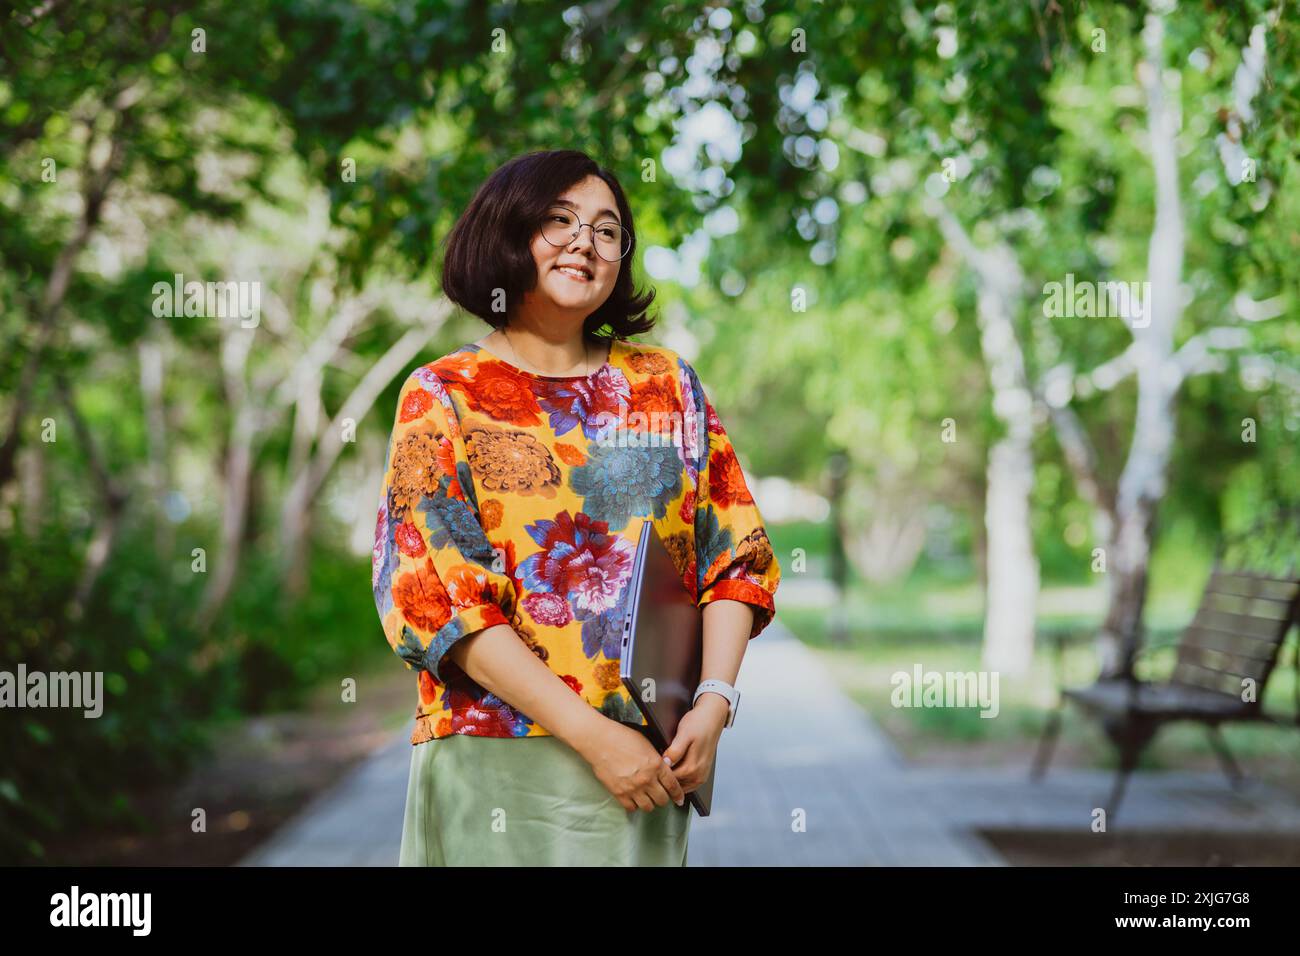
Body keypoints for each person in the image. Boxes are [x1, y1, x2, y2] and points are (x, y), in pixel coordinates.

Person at [372, 148, 780, 866]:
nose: (585, 244)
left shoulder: (666, 386)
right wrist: (594, 738)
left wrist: (714, 705)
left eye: (607, 230)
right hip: (494, 760)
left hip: (646, 767)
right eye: (558, 221)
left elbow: (735, 558)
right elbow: (439, 604)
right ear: (507, 231)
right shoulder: (443, 395)